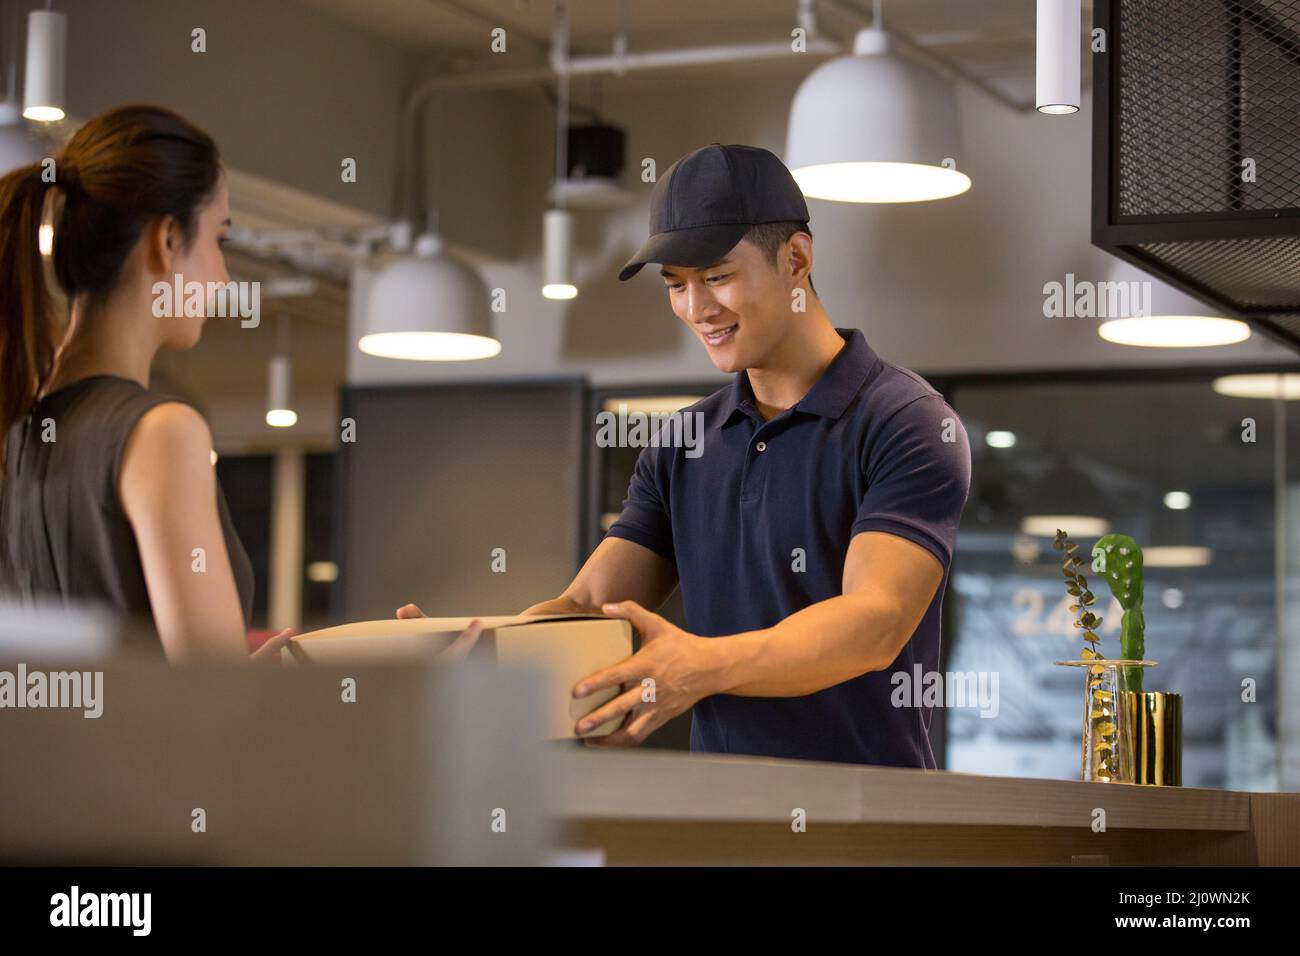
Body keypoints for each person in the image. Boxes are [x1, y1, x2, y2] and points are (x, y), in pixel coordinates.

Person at [400, 143, 971, 767]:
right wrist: (485, 653)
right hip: (718, 816)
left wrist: (700, 665)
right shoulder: (681, 442)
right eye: (677, 285)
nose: (697, 310)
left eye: (717, 277)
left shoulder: (905, 421)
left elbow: (875, 621)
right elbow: (588, 608)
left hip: (868, 825)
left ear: (797, 258)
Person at [0, 104, 288, 665]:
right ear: (166, 240)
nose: (224, 278)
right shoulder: (161, 433)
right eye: (219, 241)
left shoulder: (14, 421)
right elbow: (213, 708)